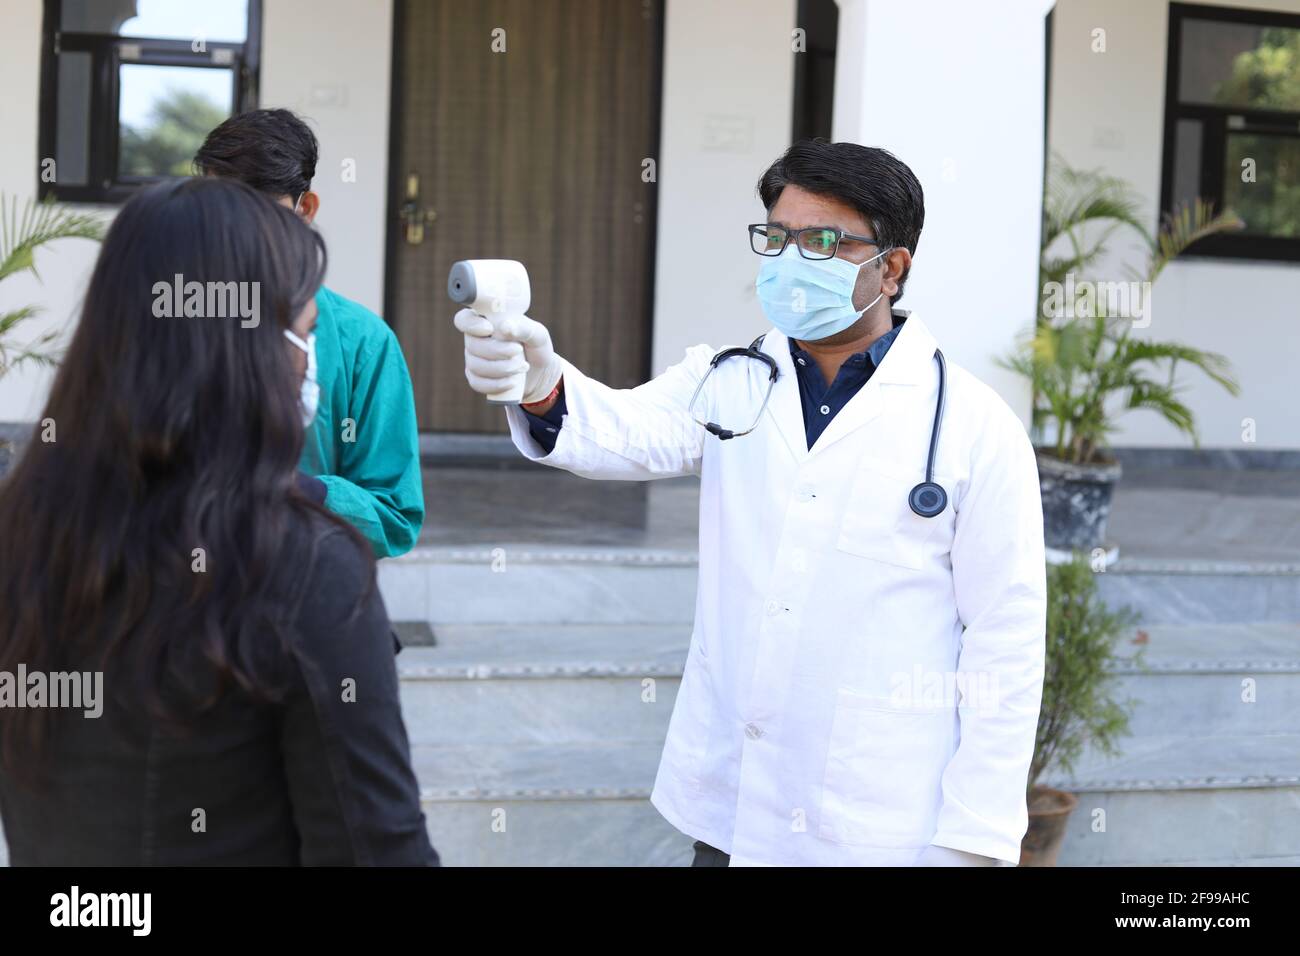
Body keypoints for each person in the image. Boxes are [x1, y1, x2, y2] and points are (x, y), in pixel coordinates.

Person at [454, 141, 1047, 867]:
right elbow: (624, 431)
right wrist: (539, 383)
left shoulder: (975, 427)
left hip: (882, 822)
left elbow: (1006, 642)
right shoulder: (730, 378)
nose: (790, 260)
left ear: (890, 268)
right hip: (733, 810)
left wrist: (973, 841)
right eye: (777, 238)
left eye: (822, 241)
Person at [0, 178, 438, 866]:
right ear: (247, 349)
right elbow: (376, 847)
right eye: (304, 333)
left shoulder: (26, 531)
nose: (308, 363)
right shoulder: (307, 569)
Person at [194, 108, 424, 559]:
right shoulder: (177, 317)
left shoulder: (362, 343)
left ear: (306, 209)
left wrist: (294, 489)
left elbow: (393, 518)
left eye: (255, 211)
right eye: (217, 207)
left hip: (304, 589)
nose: (232, 232)